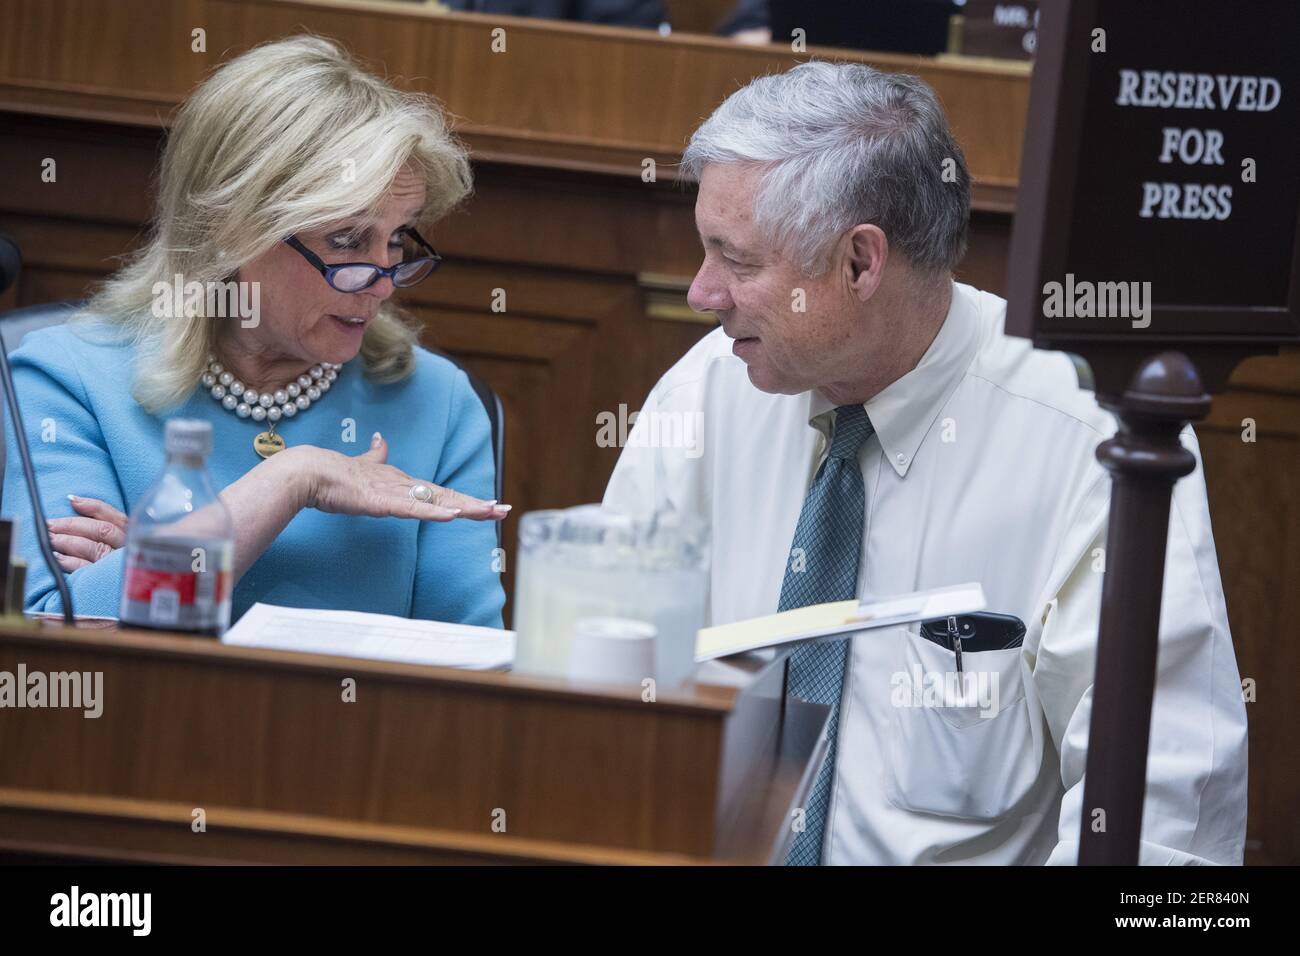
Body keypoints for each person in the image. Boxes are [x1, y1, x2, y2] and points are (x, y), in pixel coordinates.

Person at [603, 61, 1248, 864]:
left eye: (736, 261)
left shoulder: (1095, 441)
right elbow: (605, 695)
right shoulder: (703, 395)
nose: (702, 293)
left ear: (860, 262)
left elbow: (1164, 809)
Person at [4, 36, 508, 627]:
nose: (383, 283)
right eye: (347, 241)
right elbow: (56, 627)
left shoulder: (437, 402)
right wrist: (292, 478)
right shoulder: (69, 380)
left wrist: (162, 560)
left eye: (397, 240)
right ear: (229, 228)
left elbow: (470, 668)